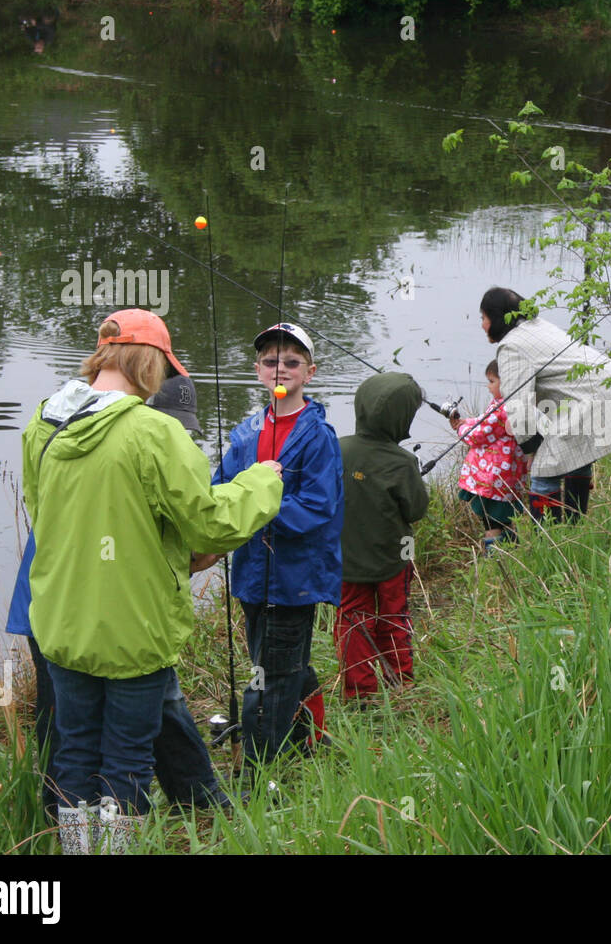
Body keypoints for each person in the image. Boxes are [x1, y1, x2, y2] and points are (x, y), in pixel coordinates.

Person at [22, 309, 282, 854]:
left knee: (75, 752)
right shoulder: (154, 431)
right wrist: (261, 482)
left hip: (61, 625)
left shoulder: (42, 422)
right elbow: (209, 522)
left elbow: (42, 514)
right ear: (151, 363)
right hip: (134, 630)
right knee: (126, 761)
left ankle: (77, 852)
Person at [6, 374, 236, 817]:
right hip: (61, 613)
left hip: (100, 617)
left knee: (146, 714)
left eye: (183, 430)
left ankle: (197, 799)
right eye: (166, 425)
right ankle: (63, 822)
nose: (176, 438)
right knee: (78, 737)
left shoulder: (78, 436)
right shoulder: (110, 454)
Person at [215, 323, 342, 770]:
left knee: (268, 677)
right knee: (283, 661)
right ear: (257, 370)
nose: (280, 369)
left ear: (309, 371)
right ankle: (309, 739)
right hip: (252, 573)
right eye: (271, 361)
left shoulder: (319, 437)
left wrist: (258, 503)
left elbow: (317, 506)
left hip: (294, 579)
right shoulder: (246, 433)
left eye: (291, 362)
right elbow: (220, 490)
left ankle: (258, 771)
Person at [479, 287, 611, 522]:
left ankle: (549, 540)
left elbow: (518, 404)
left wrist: (531, 449)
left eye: (483, 318)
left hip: (593, 398)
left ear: (496, 317)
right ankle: (574, 528)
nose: (481, 325)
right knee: (572, 457)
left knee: (543, 470)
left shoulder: (511, 346)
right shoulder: (538, 326)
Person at [335, 372, 429, 700]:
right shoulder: (403, 462)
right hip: (395, 557)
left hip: (345, 557)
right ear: (401, 419)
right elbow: (415, 510)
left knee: (353, 619)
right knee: (394, 613)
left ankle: (359, 690)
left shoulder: (336, 449)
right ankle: (399, 679)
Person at [449, 360, 529, 553]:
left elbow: (477, 435)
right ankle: (513, 553)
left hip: (492, 481)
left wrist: (460, 429)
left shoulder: (501, 409)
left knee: (491, 522)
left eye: (492, 381)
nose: (488, 386)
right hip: (509, 480)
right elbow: (484, 420)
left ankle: (494, 561)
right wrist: (468, 421)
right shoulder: (515, 403)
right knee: (507, 518)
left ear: (507, 382)